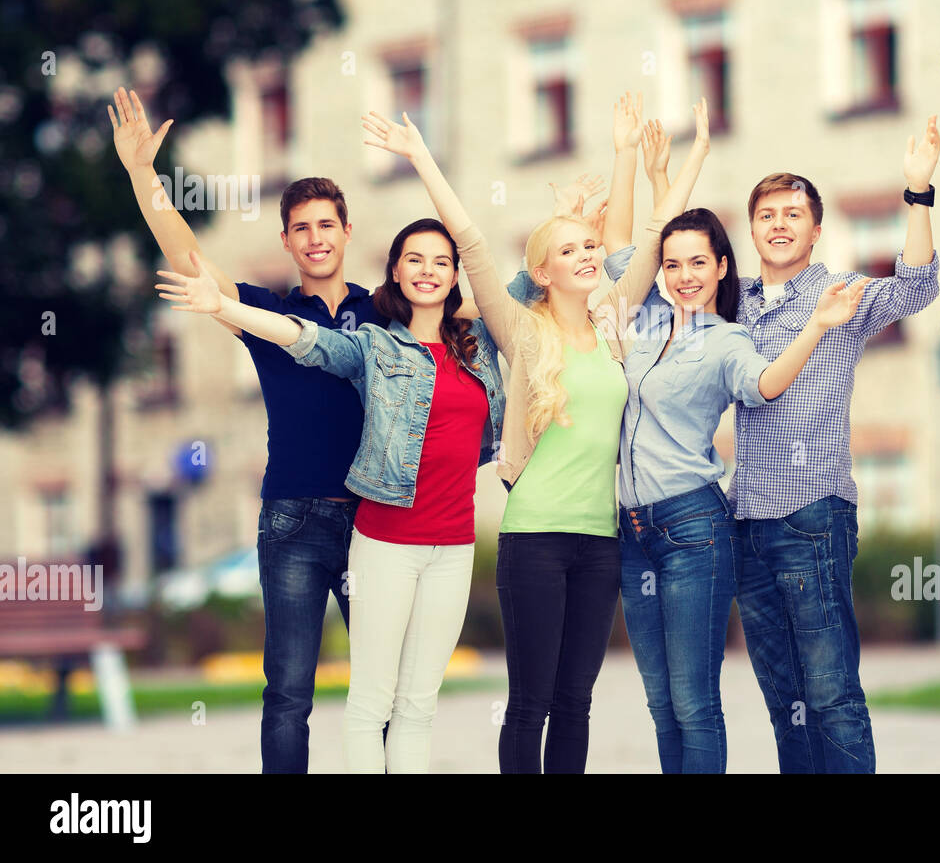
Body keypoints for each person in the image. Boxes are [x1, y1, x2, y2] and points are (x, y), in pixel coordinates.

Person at [360, 92, 706, 773]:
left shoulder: (612, 323)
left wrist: (650, 154)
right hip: (535, 541)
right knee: (531, 704)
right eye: (569, 249)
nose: (586, 255)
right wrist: (419, 155)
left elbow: (658, 231)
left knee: (575, 702)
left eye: (590, 246)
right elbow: (471, 244)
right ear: (544, 271)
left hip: (599, 543)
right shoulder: (520, 331)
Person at [604, 114, 940, 773]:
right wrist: (660, 177)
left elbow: (918, 286)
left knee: (831, 692)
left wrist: (918, 193)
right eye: (766, 214)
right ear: (751, 231)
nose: (780, 223)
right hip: (745, 523)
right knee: (782, 696)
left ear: (817, 230)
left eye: (794, 213)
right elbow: (655, 260)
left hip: (813, 515)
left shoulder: (842, 297)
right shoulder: (735, 307)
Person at [154, 215, 511, 772]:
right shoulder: (371, 342)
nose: (428, 270)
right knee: (325, 697)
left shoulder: (474, 342)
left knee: (414, 705)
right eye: (415, 259)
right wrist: (220, 305)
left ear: (348, 232)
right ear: (394, 268)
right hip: (359, 530)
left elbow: (520, 293)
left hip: (450, 544)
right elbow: (304, 339)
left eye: (442, 261)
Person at [109, 86, 380, 773]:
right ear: (287, 241)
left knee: (384, 690)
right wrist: (145, 176)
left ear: (347, 233)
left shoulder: (384, 314)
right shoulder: (265, 315)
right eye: (303, 229)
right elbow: (189, 259)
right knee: (288, 692)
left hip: (373, 520)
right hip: (291, 519)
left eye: (328, 225)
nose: (316, 238)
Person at [609, 203, 865, 773]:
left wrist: (817, 325)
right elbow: (619, 250)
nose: (684, 276)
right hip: (630, 529)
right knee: (661, 703)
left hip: (692, 524)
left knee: (695, 704)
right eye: (672, 265)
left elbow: (765, 384)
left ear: (724, 267)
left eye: (698, 262)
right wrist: (634, 158)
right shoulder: (646, 321)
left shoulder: (727, 339)